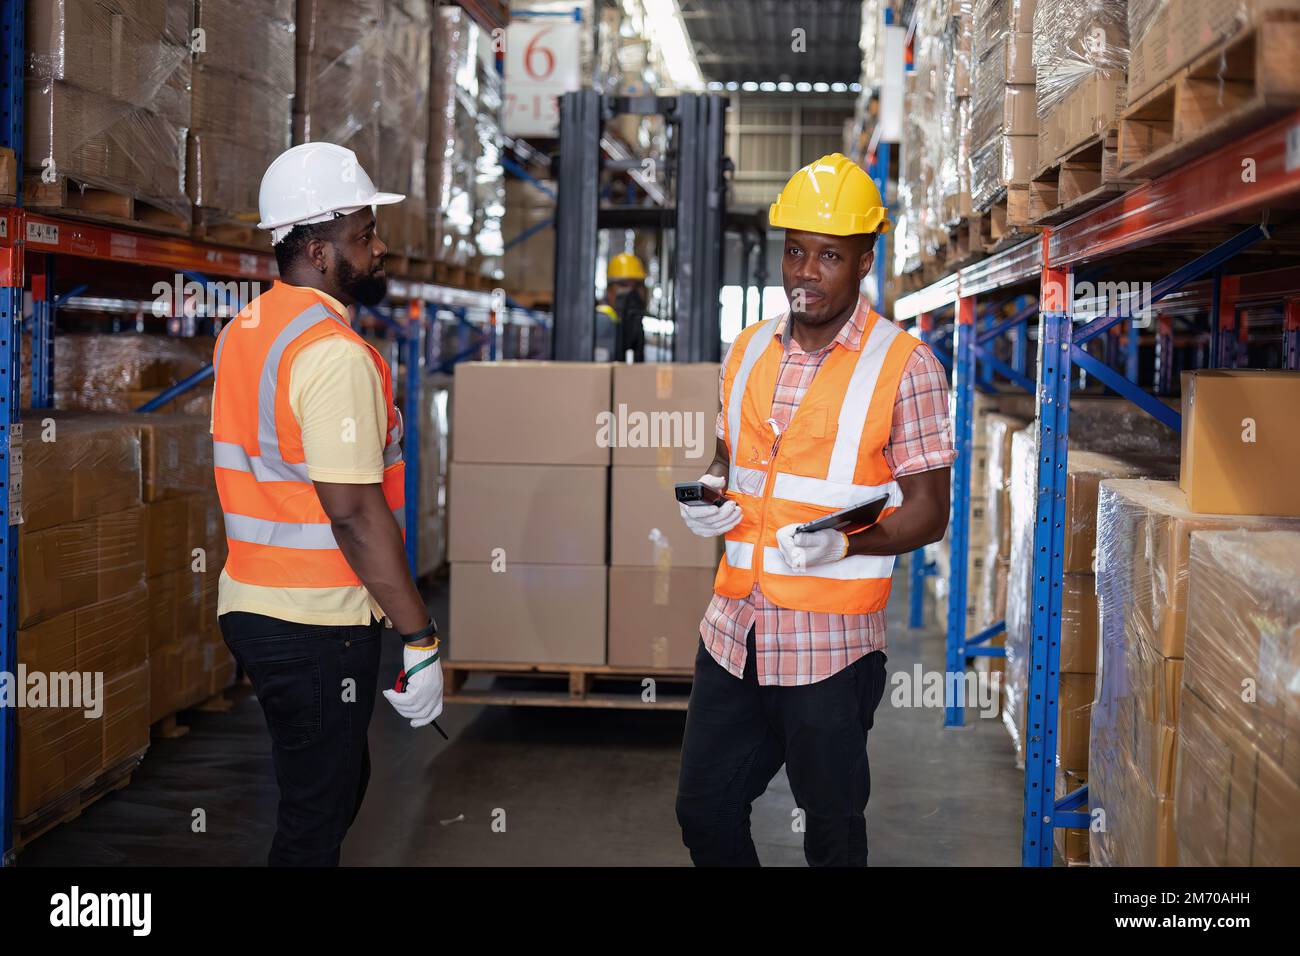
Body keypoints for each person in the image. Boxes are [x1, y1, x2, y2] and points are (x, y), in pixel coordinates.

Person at [674, 152, 955, 867]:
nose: (805, 271)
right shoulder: (745, 351)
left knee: (831, 834)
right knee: (704, 813)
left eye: (829, 255)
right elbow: (727, 459)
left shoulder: (907, 365)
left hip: (830, 649)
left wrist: (851, 546)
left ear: (865, 259)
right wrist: (710, 495)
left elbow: (929, 512)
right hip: (733, 632)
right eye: (795, 251)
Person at [211, 142, 444, 866]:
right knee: (318, 817)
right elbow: (352, 510)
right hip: (316, 624)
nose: (379, 249)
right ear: (317, 249)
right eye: (363, 235)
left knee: (326, 792)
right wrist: (420, 637)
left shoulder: (246, 330)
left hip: (254, 603)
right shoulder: (333, 355)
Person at [594, 252, 648, 362]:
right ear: (609, 290)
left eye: (637, 286)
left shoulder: (634, 322)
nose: (631, 292)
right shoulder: (602, 321)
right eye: (624, 285)